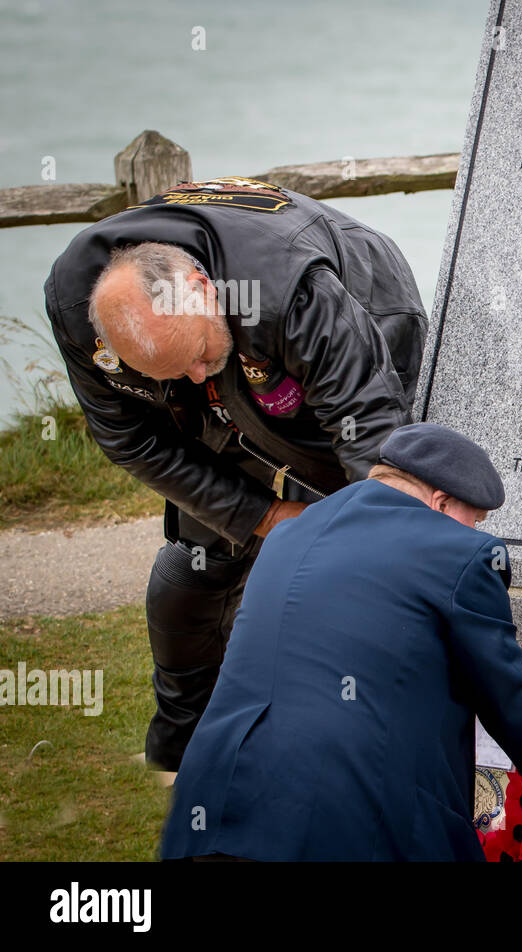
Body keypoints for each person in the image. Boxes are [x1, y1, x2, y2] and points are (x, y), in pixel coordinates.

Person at [43, 177, 427, 772]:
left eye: (196, 357)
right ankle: (185, 744)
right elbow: (130, 438)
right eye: (172, 371)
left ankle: (356, 738)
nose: (198, 378)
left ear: (201, 289)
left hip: (361, 307)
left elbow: (372, 437)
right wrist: (265, 517)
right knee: (201, 552)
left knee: (350, 537)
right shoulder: (77, 301)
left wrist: (359, 537)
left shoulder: (297, 297)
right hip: (234, 333)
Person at [160, 423, 522, 861]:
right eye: (475, 519)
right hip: (347, 828)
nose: (476, 532)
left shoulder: (289, 536)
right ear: (441, 503)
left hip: (213, 814)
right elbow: (511, 700)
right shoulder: (458, 553)